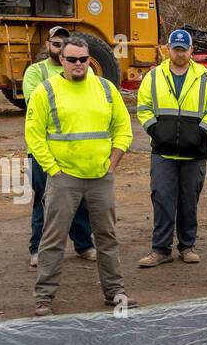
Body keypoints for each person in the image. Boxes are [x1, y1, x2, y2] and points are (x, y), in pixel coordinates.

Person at [25, 35, 135, 316]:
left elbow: (123, 128)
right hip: (64, 179)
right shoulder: (45, 91)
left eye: (83, 59)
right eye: (72, 59)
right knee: (53, 238)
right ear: (61, 60)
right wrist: (54, 170)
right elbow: (34, 136)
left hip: (100, 176)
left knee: (107, 236)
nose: (78, 64)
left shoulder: (106, 89)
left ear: (89, 60)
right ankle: (44, 298)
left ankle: (115, 292)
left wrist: (112, 163)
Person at [135, 27, 207, 267]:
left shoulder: (204, 77)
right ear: (168, 50)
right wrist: (156, 131)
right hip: (163, 151)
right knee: (162, 198)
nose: (180, 54)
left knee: (188, 201)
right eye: (176, 49)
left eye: (184, 50)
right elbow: (143, 108)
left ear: (192, 50)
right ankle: (160, 249)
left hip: (194, 153)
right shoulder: (153, 77)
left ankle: (187, 246)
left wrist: (199, 135)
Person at [21, 26, 94, 267]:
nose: (60, 47)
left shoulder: (86, 72)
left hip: (75, 151)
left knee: (79, 200)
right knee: (46, 200)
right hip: (43, 152)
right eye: (55, 43)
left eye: (64, 42)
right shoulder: (36, 72)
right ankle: (38, 248)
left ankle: (84, 245)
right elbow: (36, 106)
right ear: (49, 46)